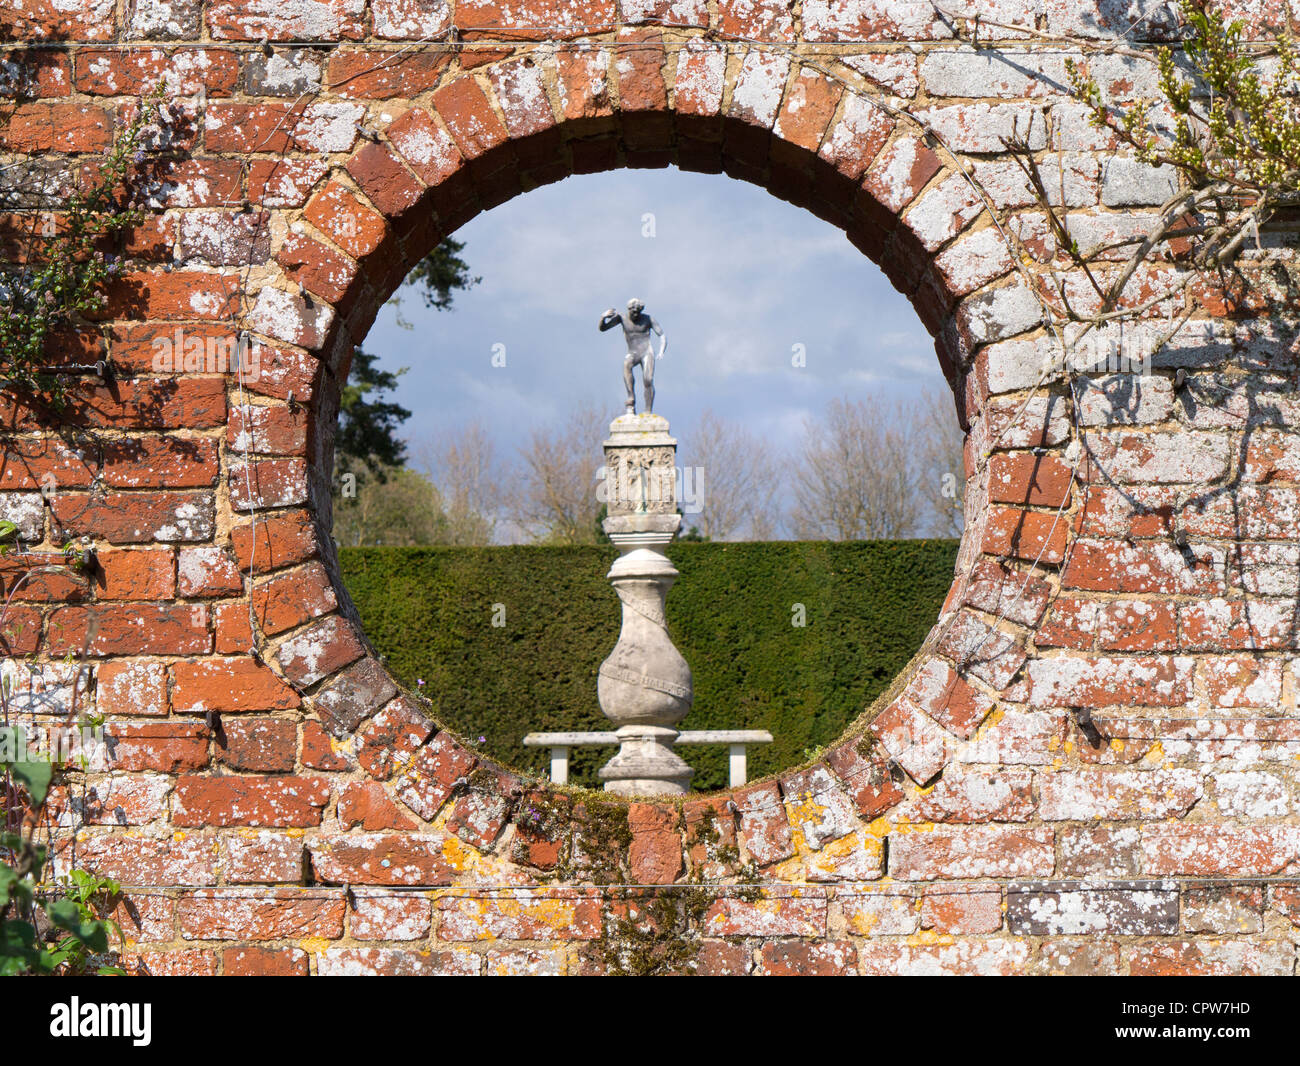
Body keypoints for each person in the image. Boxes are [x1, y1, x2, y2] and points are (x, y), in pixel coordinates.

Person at [599, 298, 666, 414]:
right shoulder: (622, 318)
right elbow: (603, 328)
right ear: (628, 310)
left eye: (637, 312)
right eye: (633, 312)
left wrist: (661, 351)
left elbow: (662, 335)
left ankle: (648, 410)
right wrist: (603, 317)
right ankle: (631, 399)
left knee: (648, 379)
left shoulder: (648, 319)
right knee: (626, 364)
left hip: (646, 351)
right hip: (633, 352)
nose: (635, 315)